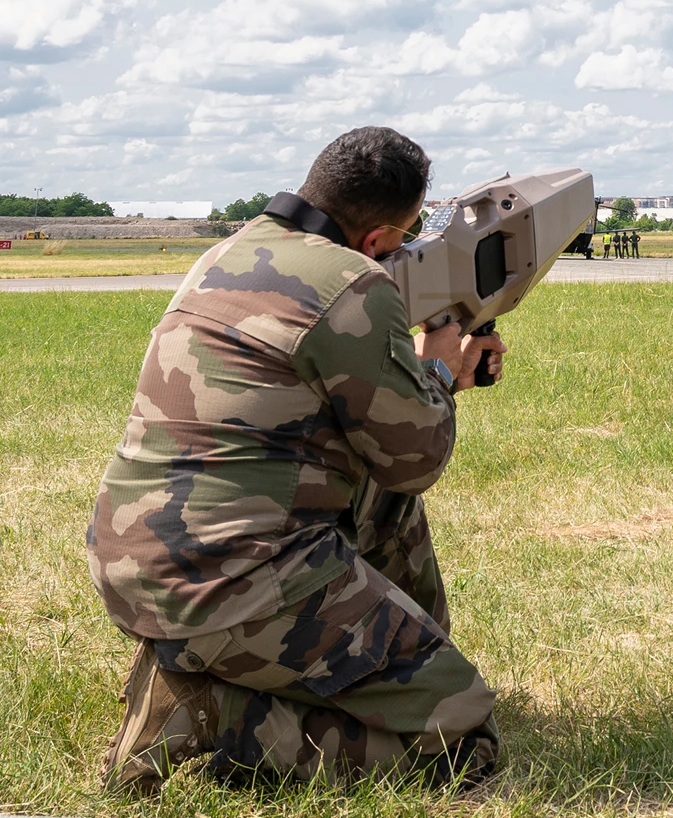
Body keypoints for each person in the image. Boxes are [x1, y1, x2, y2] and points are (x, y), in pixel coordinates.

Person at [88, 126, 508, 791]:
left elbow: (377, 471)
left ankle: (377, 674)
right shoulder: (354, 284)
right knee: (465, 744)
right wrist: (439, 372)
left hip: (135, 558)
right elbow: (416, 458)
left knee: (383, 499)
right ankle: (210, 717)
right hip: (232, 580)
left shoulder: (227, 254)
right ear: (378, 241)